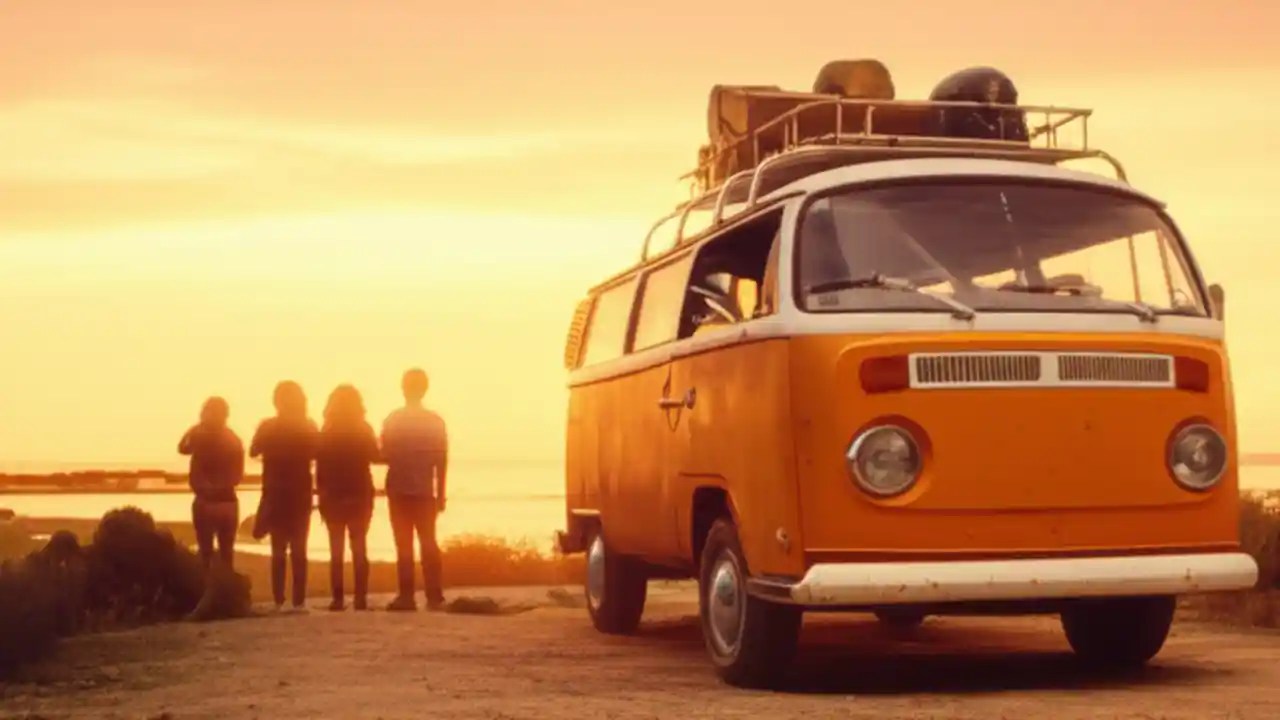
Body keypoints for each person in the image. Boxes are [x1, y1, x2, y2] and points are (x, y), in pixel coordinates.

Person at [380, 368, 448, 611]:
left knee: (404, 544)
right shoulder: (435, 422)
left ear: (403, 388)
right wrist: (440, 493)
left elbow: (384, 453)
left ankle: (406, 596)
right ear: (425, 389)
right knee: (429, 542)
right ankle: (434, 594)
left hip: (399, 489)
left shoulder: (394, 420)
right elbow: (441, 461)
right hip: (424, 491)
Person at [249, 381, 318, 612]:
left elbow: (253, 450)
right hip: (300, 491)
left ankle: (279, 600)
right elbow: (318, 452)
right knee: (299, 549)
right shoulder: (308, 425)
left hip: (275, 491)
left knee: (278, 550)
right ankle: (299, 601)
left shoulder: (268, 426)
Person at [315, 384, 379, 611]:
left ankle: (338, 598)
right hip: (360, 492)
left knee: (336, 549)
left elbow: (319, 466)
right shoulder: (364, 429)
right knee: (359, 547)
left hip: (333, 494)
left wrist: (321, 495)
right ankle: (360, 598)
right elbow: (376, 456)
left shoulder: (327, 430)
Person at [178, 397, 244, 569]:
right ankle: (226, 589)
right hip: (227, 500)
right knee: (226, 553)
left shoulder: (198, 435)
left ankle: (208, 588)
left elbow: (182, 448)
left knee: (205, 552)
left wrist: (193, 428)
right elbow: (238, 476)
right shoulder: (233, 438)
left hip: (206, 500)